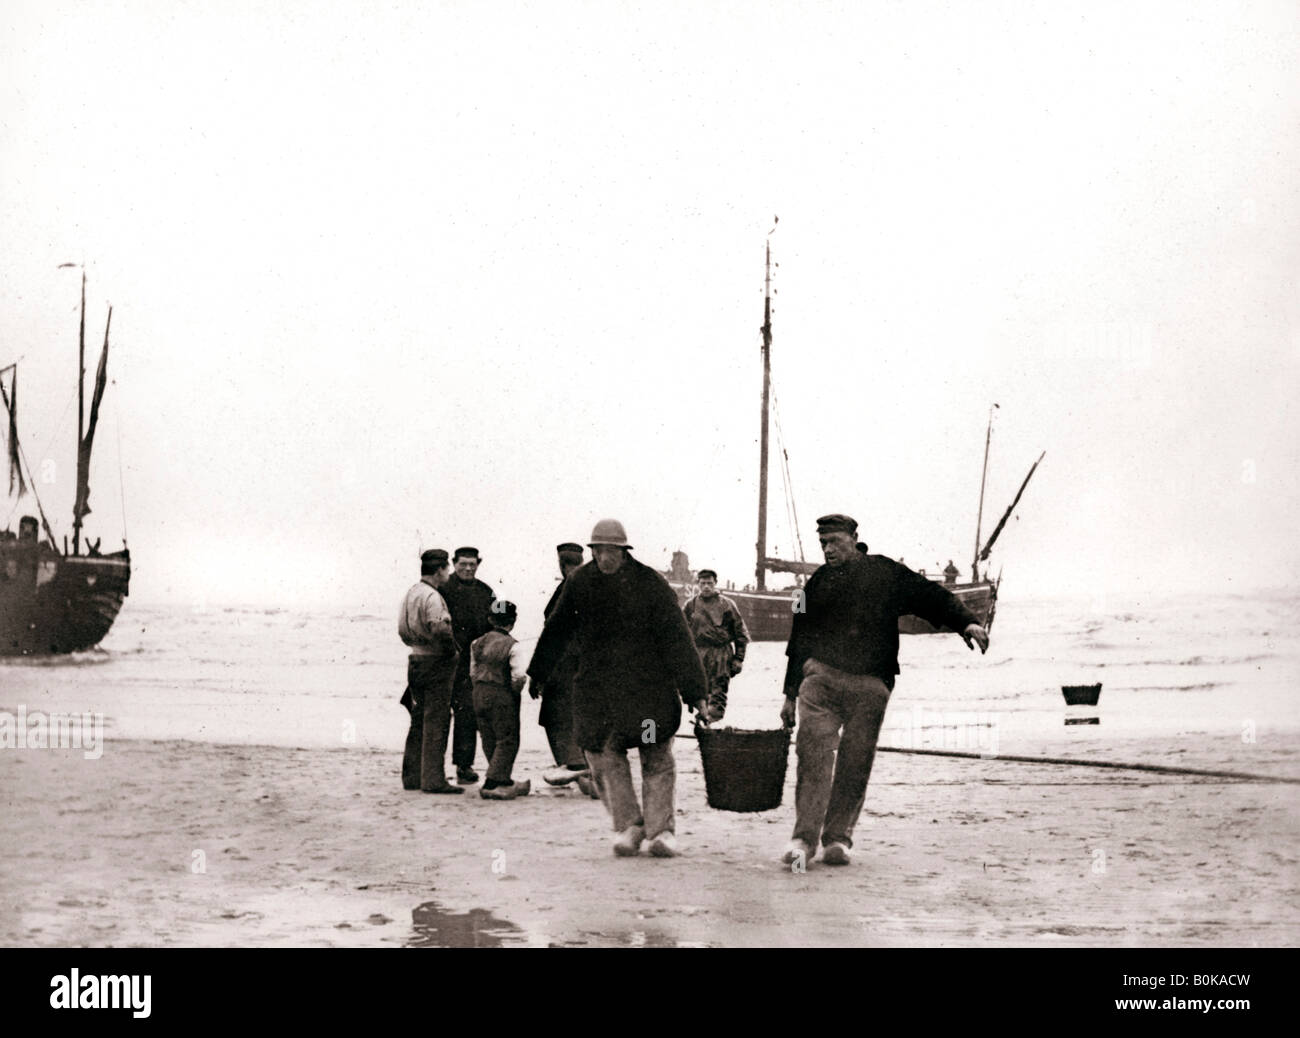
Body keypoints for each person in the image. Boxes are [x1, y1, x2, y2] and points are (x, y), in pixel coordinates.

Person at [779, 514, 989, 867]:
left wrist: (965, 621)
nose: (828, 549)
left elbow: (931, 596)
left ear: (854, 538)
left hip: (871, 686)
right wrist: (788, 694)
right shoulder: (813, 585)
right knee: (813, 756)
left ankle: (837, 839)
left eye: (834, 541)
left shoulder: (885, 572)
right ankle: (803, 839)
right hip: (820, 683)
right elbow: (798, 637)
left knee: (855, 763)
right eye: (823, 543)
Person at [527, 518, 708, 858]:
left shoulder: (650, 583)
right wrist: (539, 673)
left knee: (655, 758)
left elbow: (678, 640)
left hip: (648, 693)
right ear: (592, 552)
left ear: (624, 551)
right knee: (602, 755)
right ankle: (629, 826)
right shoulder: (580, 582)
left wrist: (695, 692)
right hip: (599, 694)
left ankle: (661, 833)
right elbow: (557, 629)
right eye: (599, 552)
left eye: (612, 551)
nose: (605, 558)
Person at [398, 549, 464, 794]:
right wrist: (452, 652)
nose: (448, 573)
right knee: (437, 719)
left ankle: (412, 777)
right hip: (435, 661)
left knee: (418, 720)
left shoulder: (411, 593)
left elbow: (402, 630)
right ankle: (433, 779)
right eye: (447, 568)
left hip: (415, 658)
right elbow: (440, 629)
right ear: (439, 571)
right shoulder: (432, 596)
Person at [532, 542, 595, 794]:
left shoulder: (571, 589)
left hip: (564, 667)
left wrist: (538, 673)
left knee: (559, 718)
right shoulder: (589, 587)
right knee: (573, 717)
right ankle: (578, 767)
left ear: (562, 564)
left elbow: (554, 634)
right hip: (580, 666)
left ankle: (577, 768)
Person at [440, 546, 496, 785]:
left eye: (472, 564)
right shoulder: (442, 589)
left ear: (478, 564)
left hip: (474, 664)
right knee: (438, 717)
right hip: (446, 661)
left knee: (467, 715)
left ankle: (464, 767)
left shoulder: (486, 591)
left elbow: (497, 621)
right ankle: (431, 769)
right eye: (463, 563)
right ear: (454, 563)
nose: (468, 568)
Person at [470, 600, 531, 800]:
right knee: (507, 739)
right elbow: (519, 676)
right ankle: (492, 782)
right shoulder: (513, 646)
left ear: (490, 619)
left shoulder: (476, 643)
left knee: (488, 737)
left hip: (479, 692)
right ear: (512, 622)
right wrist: (515, 692)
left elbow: (473, 672)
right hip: (500, 694)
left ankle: (502, 778)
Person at [683, 569, 750, 724]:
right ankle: (702, 725)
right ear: (698, 584)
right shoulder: (690, 605)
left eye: (710, 583)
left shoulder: (727, 604)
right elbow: (680, 633)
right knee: (700, 691)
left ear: (715, 584)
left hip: (721, 654)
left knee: (719, 692)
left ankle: (711, 726)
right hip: (698, 654)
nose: (706, 587)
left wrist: (739, 659)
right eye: (703, 583)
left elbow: (741, 633)